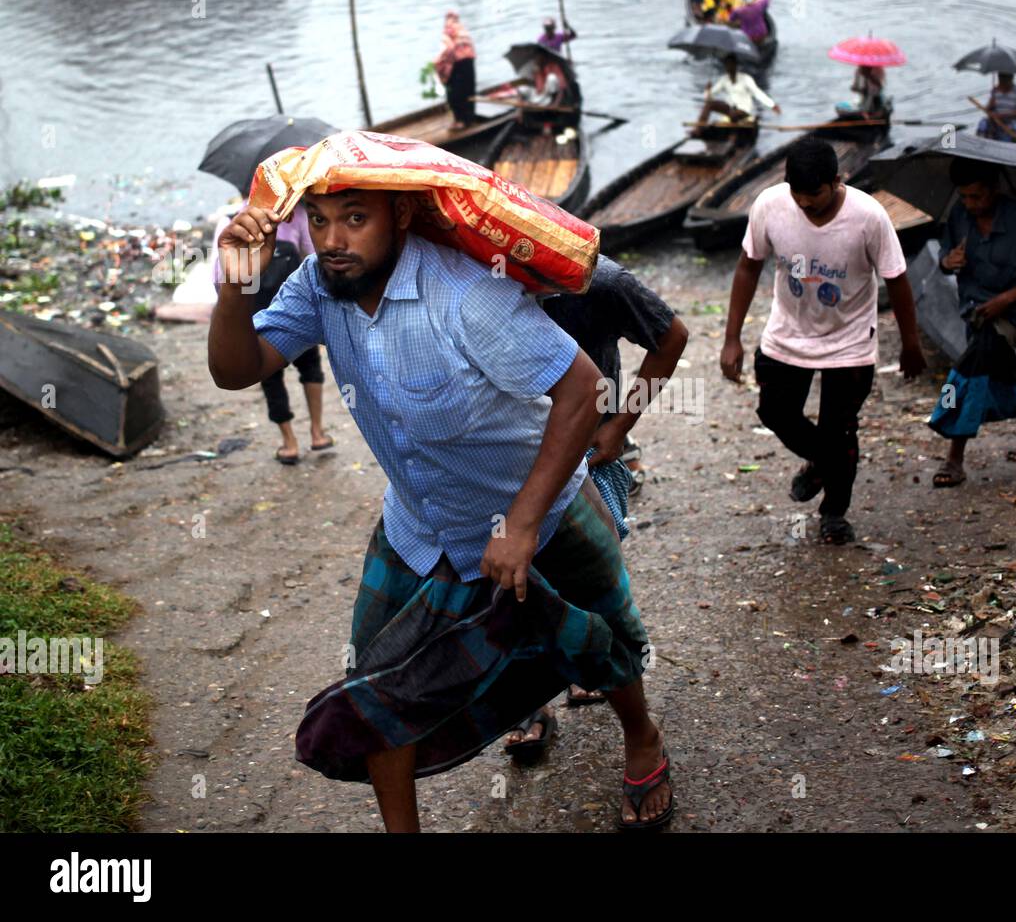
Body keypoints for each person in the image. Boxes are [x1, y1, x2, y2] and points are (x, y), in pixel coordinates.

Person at [208, 190, 673, 830]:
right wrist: (236, 283)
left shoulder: (463, 295)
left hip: (543, 505)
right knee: (379, 685)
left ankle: (642, 736)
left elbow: (584, 389)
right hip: (418, 524)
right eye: (318, 221)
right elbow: (237, 370)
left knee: (607, 644)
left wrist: (523, 523)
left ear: (399, 216)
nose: (334, 240)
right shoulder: (320, 285)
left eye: (354, 218)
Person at [503, 255, 689, 750]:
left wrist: (620, 427)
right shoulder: (483, 280)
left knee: (591, 574)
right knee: (516, 578)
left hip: (588, 453)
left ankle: (599, 669)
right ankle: (528, 702)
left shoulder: (602, 282)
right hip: (509, 454)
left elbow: (671, 337)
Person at [719, 136, 927, 544]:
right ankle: (821, 460)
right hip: (787, 334)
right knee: (775, 412)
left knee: (840, 429)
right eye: (797, 194)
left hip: (849, 341)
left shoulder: (869, 216)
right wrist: (732, 338)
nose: (805, 204)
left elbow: (897, 280)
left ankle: (834, 512)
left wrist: (910, 343)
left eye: (814, 194)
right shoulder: (770, 205)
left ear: (837, 180)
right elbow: (748, 267)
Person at [927, 158, 1016, 487]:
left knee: (976, 363)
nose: (970, 204)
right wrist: (947, 260)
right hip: (976, 311)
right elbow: (943, 257)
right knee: (999, 366)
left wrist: (1005, 299)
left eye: (977, 197)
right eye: (964, 196)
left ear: (994, 190)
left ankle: (954, 455)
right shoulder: (959, 217)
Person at [210, 202, 332, 464]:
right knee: (310, 369)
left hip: (261, 308)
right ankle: (317, 430)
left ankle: (289, 442)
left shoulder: (231, 220)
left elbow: (217, 278)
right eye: (320, 221)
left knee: (272, 381)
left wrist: (237, 287)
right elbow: (314, 255)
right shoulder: (298, 214)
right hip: (294, 307)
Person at [698, 54, 781, 126]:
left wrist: (772, 105)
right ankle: (698, 128)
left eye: (731, 64)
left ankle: (733, 133)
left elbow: (757, 93)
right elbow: (708, 97)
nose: (729, 67)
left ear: (735, 65)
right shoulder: (724, 79)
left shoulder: (746, 78)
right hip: (730, 110)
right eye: (727, 64)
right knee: (709, 105)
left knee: (734, 114)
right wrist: (708, 90)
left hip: (743, 111)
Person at [436, 10, 477, 130]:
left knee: (455, 93)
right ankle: (469, 119)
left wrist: (439, 63)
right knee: (468, 91)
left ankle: (460, 121)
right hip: (469, 61)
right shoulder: (462, 29)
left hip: (458, 63)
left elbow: (448, 48)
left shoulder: (448, 28)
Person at [976, 72, 1016, 142]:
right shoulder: (995, 91)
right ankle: (981, 144)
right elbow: (988, 109)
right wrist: (991, 104)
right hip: (996, 121)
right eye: (1000, 79)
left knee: (1015, 131)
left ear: (1010, 79)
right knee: (983, 124)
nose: (1001, 82)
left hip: (1012, 122)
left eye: (1004, 80)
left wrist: (1001, 115)